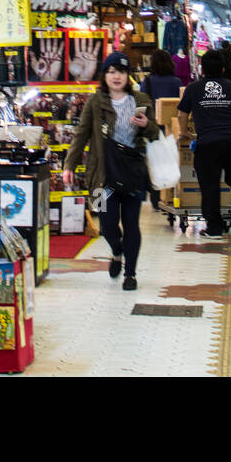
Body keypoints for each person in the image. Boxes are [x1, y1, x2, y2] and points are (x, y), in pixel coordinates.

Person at [62, 52, 154, 290]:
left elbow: (154, 135)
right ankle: (117, 252)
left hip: (133, 173)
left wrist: (148, 125)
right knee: (107, 226)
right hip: (100, 177)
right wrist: (69, 165)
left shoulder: (141, 99)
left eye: (121, 72)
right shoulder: (95, 102)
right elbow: (81, 134)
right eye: (111, 72)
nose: (116, 76)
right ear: (105, 75)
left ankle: (130, 274)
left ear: (128, 75)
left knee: (132, 224)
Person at [177, 49, 231, 240]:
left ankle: (215, 228)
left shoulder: (193, 88)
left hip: (208, 142)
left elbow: (181, 114)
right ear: (223, 69)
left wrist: (184, 132)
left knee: (210, 184)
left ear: (202, 69)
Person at [141, 48, 183, 210]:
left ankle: (155, 197)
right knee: (169, 160)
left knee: (153, 161)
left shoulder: (148, 82)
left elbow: (142, 105)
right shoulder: (176, 82)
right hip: (171, 128)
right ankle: (169, 195)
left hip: (151, 128)